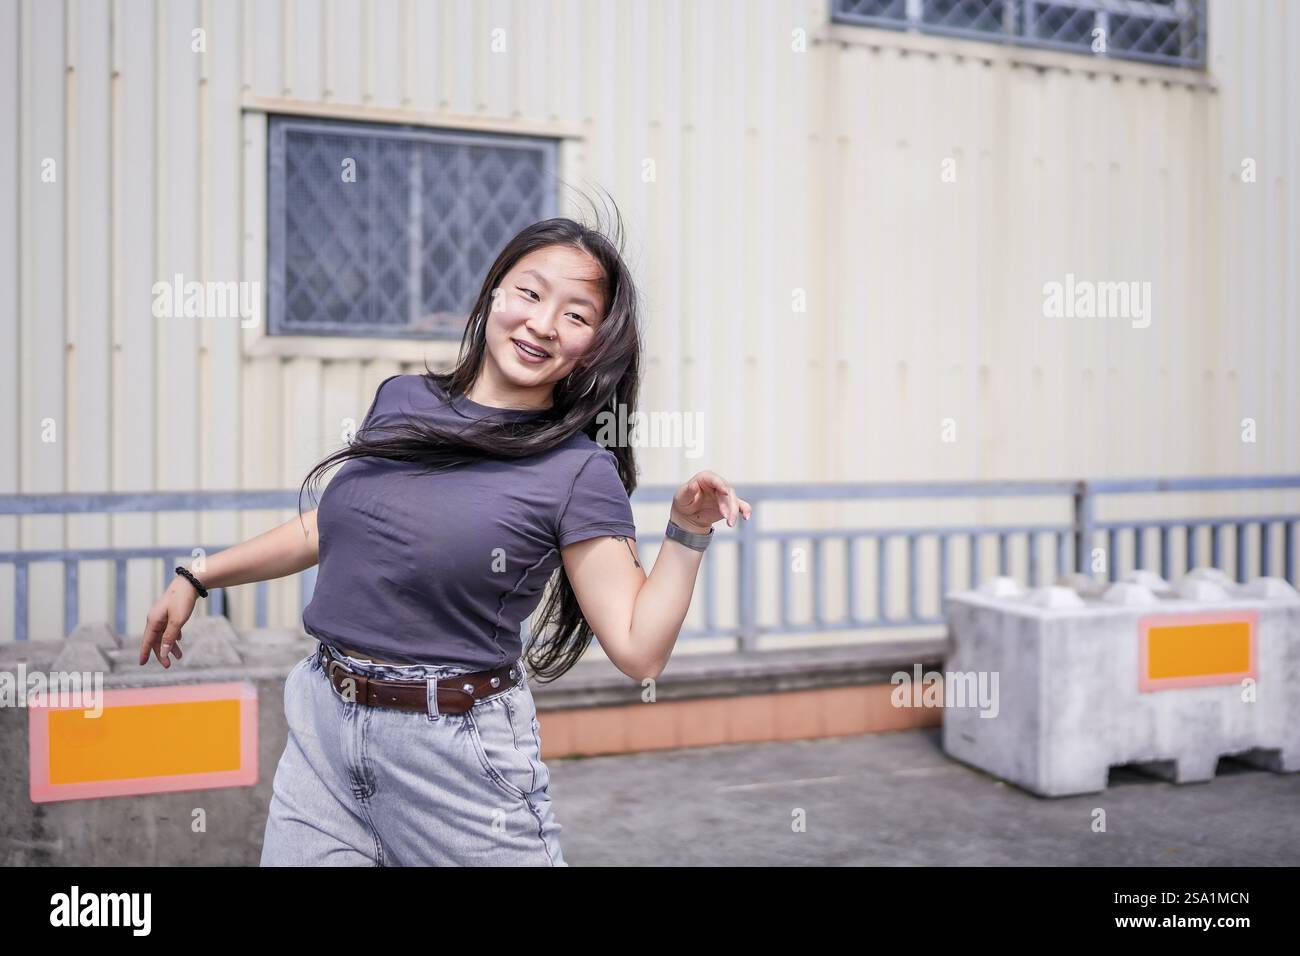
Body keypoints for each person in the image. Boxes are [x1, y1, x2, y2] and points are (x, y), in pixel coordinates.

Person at [138, 214, 752, 866]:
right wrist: (199, 575)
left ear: (594, 346)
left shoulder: (577, 470)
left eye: (576, 315)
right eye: (531, 293)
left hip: (456, 760)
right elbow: (339, 525)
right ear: (493, 294)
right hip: (323, 725)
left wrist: (686, 530)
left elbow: (639, 650)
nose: (543, 324)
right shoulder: (402, 400)